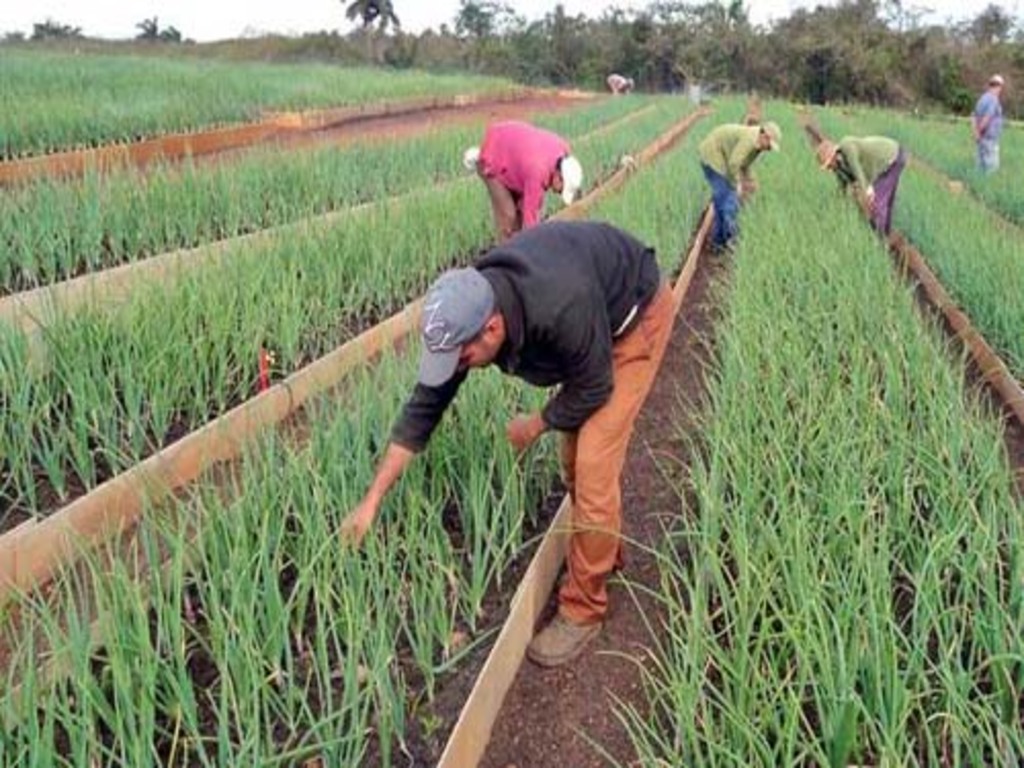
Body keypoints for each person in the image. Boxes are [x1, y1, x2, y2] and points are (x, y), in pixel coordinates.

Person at [340, 220, 675, 668]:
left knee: (593, 466)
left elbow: (594, 386)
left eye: (461, 359)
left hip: (634, 324)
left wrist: (536, 423)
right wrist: (371, 500)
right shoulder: (469, 310)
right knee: (574, 463)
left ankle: (584, 610)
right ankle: (603, 551)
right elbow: (423, 409)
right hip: (591, 328)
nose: (457, 367)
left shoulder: (558, 304)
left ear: (492, 329)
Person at [462, 121, 584, 241]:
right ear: (558, 177)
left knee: (520, 217)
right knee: (508, 217)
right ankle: (505, 256)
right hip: (494, 157)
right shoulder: (537, 173)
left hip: (516, 159)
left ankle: (514, 251)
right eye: (561, 189)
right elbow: (530, 226)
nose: (558, 192)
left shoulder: (564, 151)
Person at [697, 122, 782, 253]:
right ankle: (732, 240)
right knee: (729, 200)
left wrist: (751, 180)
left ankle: (718, 243)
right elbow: (734, 163)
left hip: (722, 158)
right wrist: (736, 184)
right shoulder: (750, 140)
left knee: (721, 201)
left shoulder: (758, 146)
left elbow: (744, 164)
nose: (769, 149)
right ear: (764, 136)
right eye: (769, 145)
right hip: (712, 157)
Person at [817, 136, 906, 236]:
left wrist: (868, 189)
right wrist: (837, 208)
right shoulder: (838, 165)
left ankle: (879, 240)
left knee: (878, 202)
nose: (830, 169)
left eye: (828, 165)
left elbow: (858, 172)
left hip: (892, 157)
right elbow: (842, 188)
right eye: (827, 168)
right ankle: (885, 235)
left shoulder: (847, 147)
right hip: (879, 166)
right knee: (885, 200)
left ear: (833, 156)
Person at [973, 74, 1005, 173]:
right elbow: (987, 117)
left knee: (980, 166)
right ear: (998, 86)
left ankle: (978, 186)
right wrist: (979, 131)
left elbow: (974, 116)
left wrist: (976, 132)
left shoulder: (982, 98)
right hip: (990, 138)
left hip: (981, 137)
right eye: (1001, 87)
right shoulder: (993, 99)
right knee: (991, 168)